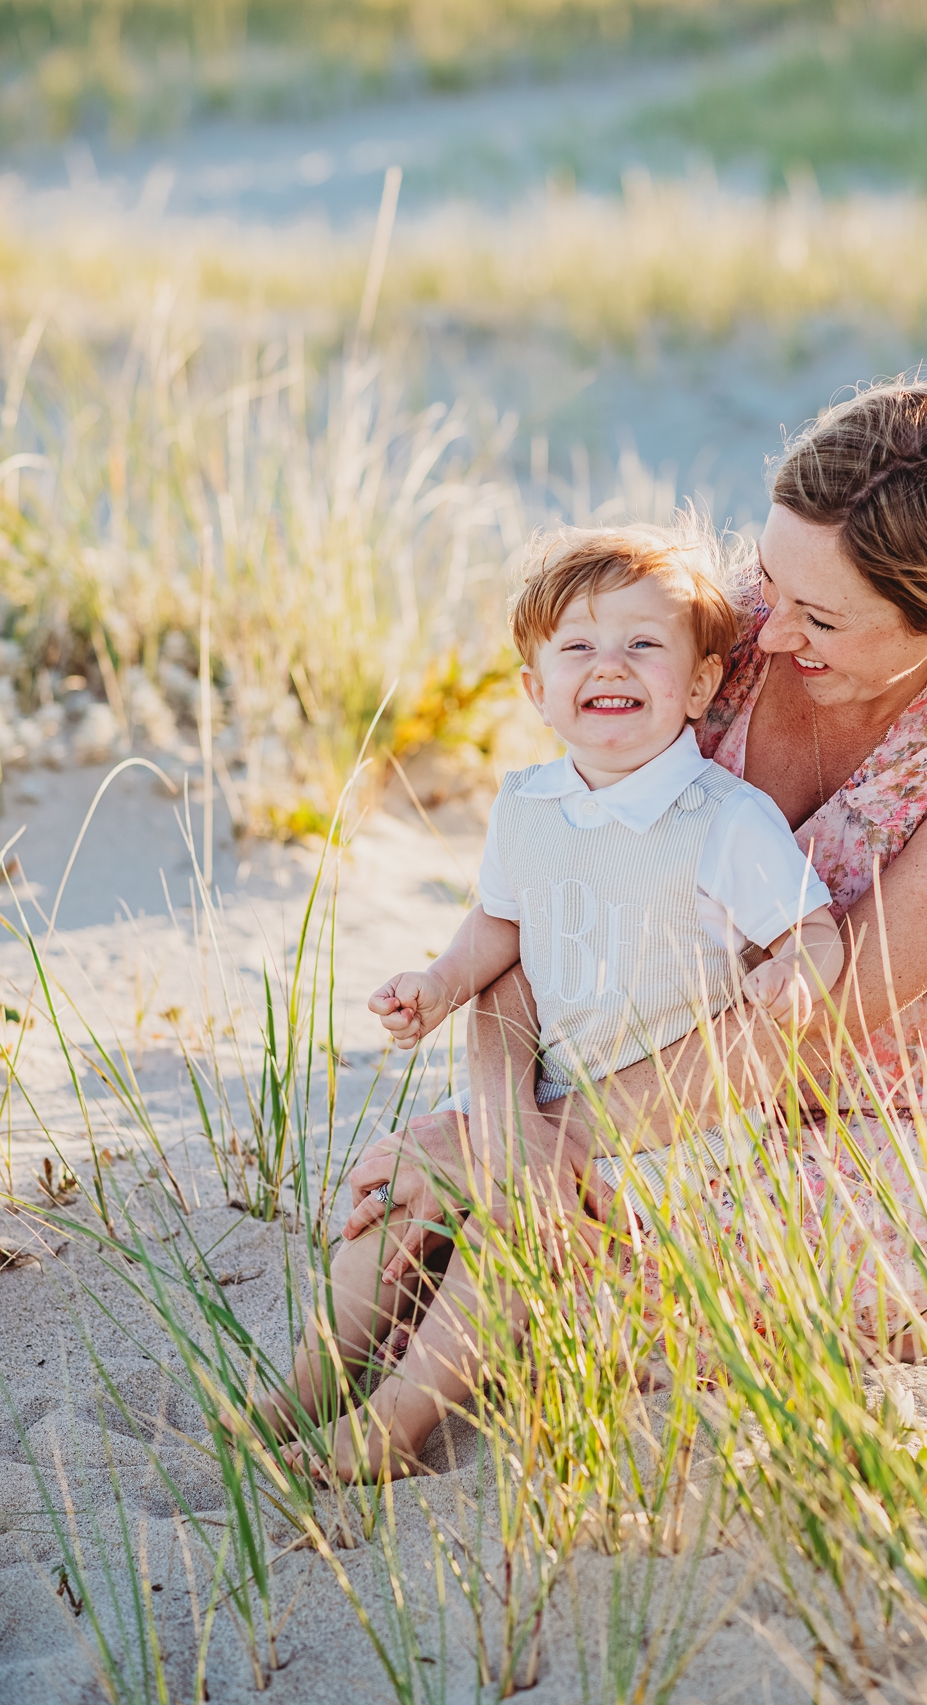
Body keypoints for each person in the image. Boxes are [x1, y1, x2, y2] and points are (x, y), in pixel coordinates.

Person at [347, 379, 927, 1353]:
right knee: (387, 1211)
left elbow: (815, 1022)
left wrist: (546, 1143)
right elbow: (543, 904)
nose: (766, 629)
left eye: (817, 614)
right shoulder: (703, 639)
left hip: (910, 1129)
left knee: (554, 1282)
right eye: (770, 577)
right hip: (662, 1077)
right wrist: (503, 1120)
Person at [265, 525, 842, 1477]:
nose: (608, 665)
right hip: (543, 1086)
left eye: (644, 645)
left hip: (667, 1127)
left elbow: (811, 928)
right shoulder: (525, 805)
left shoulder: (724, 819)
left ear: (699, 685)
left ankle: (397, 1423)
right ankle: (312, 1381)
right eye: (577, 646)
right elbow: (502, 928)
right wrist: (440, 983)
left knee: (511, 1235)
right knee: (395, 1201)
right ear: (536, 689)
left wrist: (793, 974)